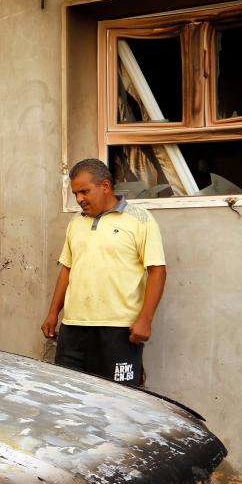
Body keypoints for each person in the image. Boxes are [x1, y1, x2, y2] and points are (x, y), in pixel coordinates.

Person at [41, 159, 166, 387]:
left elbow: (157, 271)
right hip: (73, 329)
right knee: (69, 398)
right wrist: (53, 313)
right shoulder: (75, 223)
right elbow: (67, 269)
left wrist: (145, 319)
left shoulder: (140, 219)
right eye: (76, 193)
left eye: (84, 192)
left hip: (118, 330)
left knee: (120, 400)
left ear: (105, 186)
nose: (79, 199)